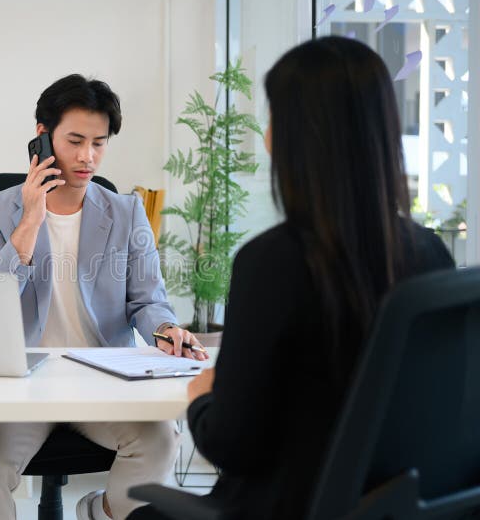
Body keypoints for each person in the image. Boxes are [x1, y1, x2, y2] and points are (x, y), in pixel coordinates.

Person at [127, 36, 455, 520]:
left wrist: (202, 396)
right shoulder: (431, 257)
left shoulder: (273, 263)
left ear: (300, 136)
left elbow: (231, 445)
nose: (265, 134)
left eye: (274, 116)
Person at [0, 74, 207, 520]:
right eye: (74, 141)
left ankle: (102, 512)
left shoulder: (126, 212)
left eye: (99, 142)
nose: (87, 156)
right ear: (42, 138)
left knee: (161, 439)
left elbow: (148, 301)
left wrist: (166, 330)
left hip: (103, 378)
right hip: (19, 382)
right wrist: (30, 221)